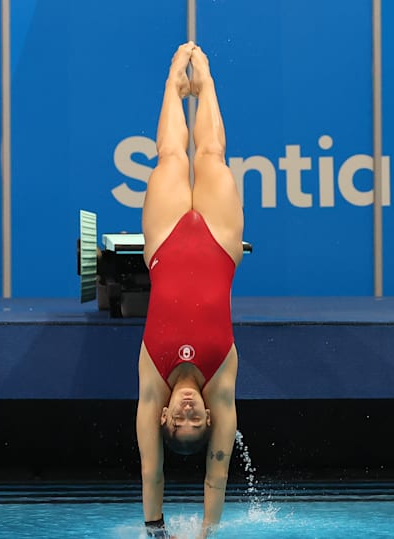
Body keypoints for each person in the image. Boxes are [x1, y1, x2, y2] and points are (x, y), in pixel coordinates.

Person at [136, 41, 244, 538]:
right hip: (220, 246)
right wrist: (204, 534)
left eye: (178, 423)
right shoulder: (220, 384)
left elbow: (152, 473)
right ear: (208, 418)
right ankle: (206, 83)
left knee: (169, 158)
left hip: (165, 243)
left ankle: (173, 84)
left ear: (162, 417)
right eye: (196, 423)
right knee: (212, 156)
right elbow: (216, 477)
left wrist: (156, 530)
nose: (187, 414)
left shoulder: (151, 381)